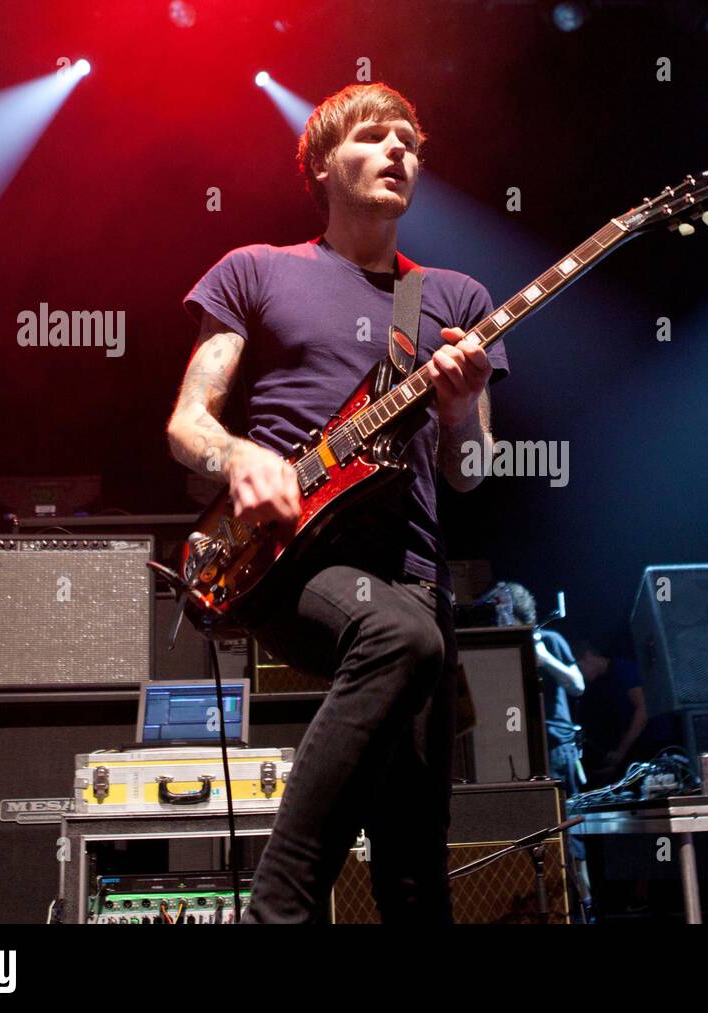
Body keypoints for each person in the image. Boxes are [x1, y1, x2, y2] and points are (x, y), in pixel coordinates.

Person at [165, 82, 509, 923]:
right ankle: (276, 911)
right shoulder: (256, 270)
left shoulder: (455, 299)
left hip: (416, 574)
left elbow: (472, 473)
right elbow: (186, 423)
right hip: (290, 554)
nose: (401, 151)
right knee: (398, 636)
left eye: (412, 142)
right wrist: (240, 454)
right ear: (322, 163)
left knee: (416, 862)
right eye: (376, 137)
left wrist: (460, 408)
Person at [477, 581, 594, 920]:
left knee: (569, 837)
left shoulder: (551, 641)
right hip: (515, 749)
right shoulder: (497, 647)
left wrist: (543, 659)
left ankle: (583, 909)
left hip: (557, 750)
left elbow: (578, 685)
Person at [575, 642, 648, 786]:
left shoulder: (623, 669)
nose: (580, 674)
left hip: (651, 743)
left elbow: (643, 710)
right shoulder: (607, 679)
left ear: (588, 656)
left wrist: (621, 752)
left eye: (579, 667)